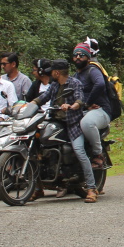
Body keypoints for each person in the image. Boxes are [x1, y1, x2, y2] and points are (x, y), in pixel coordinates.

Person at [42, 59, 98, 203]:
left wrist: (72, 105)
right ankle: (36, 188)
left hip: (72, 124)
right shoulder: (54, 85)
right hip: (56, 123)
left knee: (79, 150)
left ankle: (92, 188)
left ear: (56, 72)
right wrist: (28, 103)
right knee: (40, 147)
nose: (51, 75)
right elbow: (44, 97)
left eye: (52, 72)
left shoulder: (75, 83)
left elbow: (80, 99)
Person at [71, 42, 111, 171]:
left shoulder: (93, 71)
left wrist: (87, 103)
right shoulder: (75, 76)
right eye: (75, 55)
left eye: (81, 55)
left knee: (87, 123)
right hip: (83, 111)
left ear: (88, 58)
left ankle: (98, 154)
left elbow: (99, 84)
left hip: (101, 110)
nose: (78, 57)